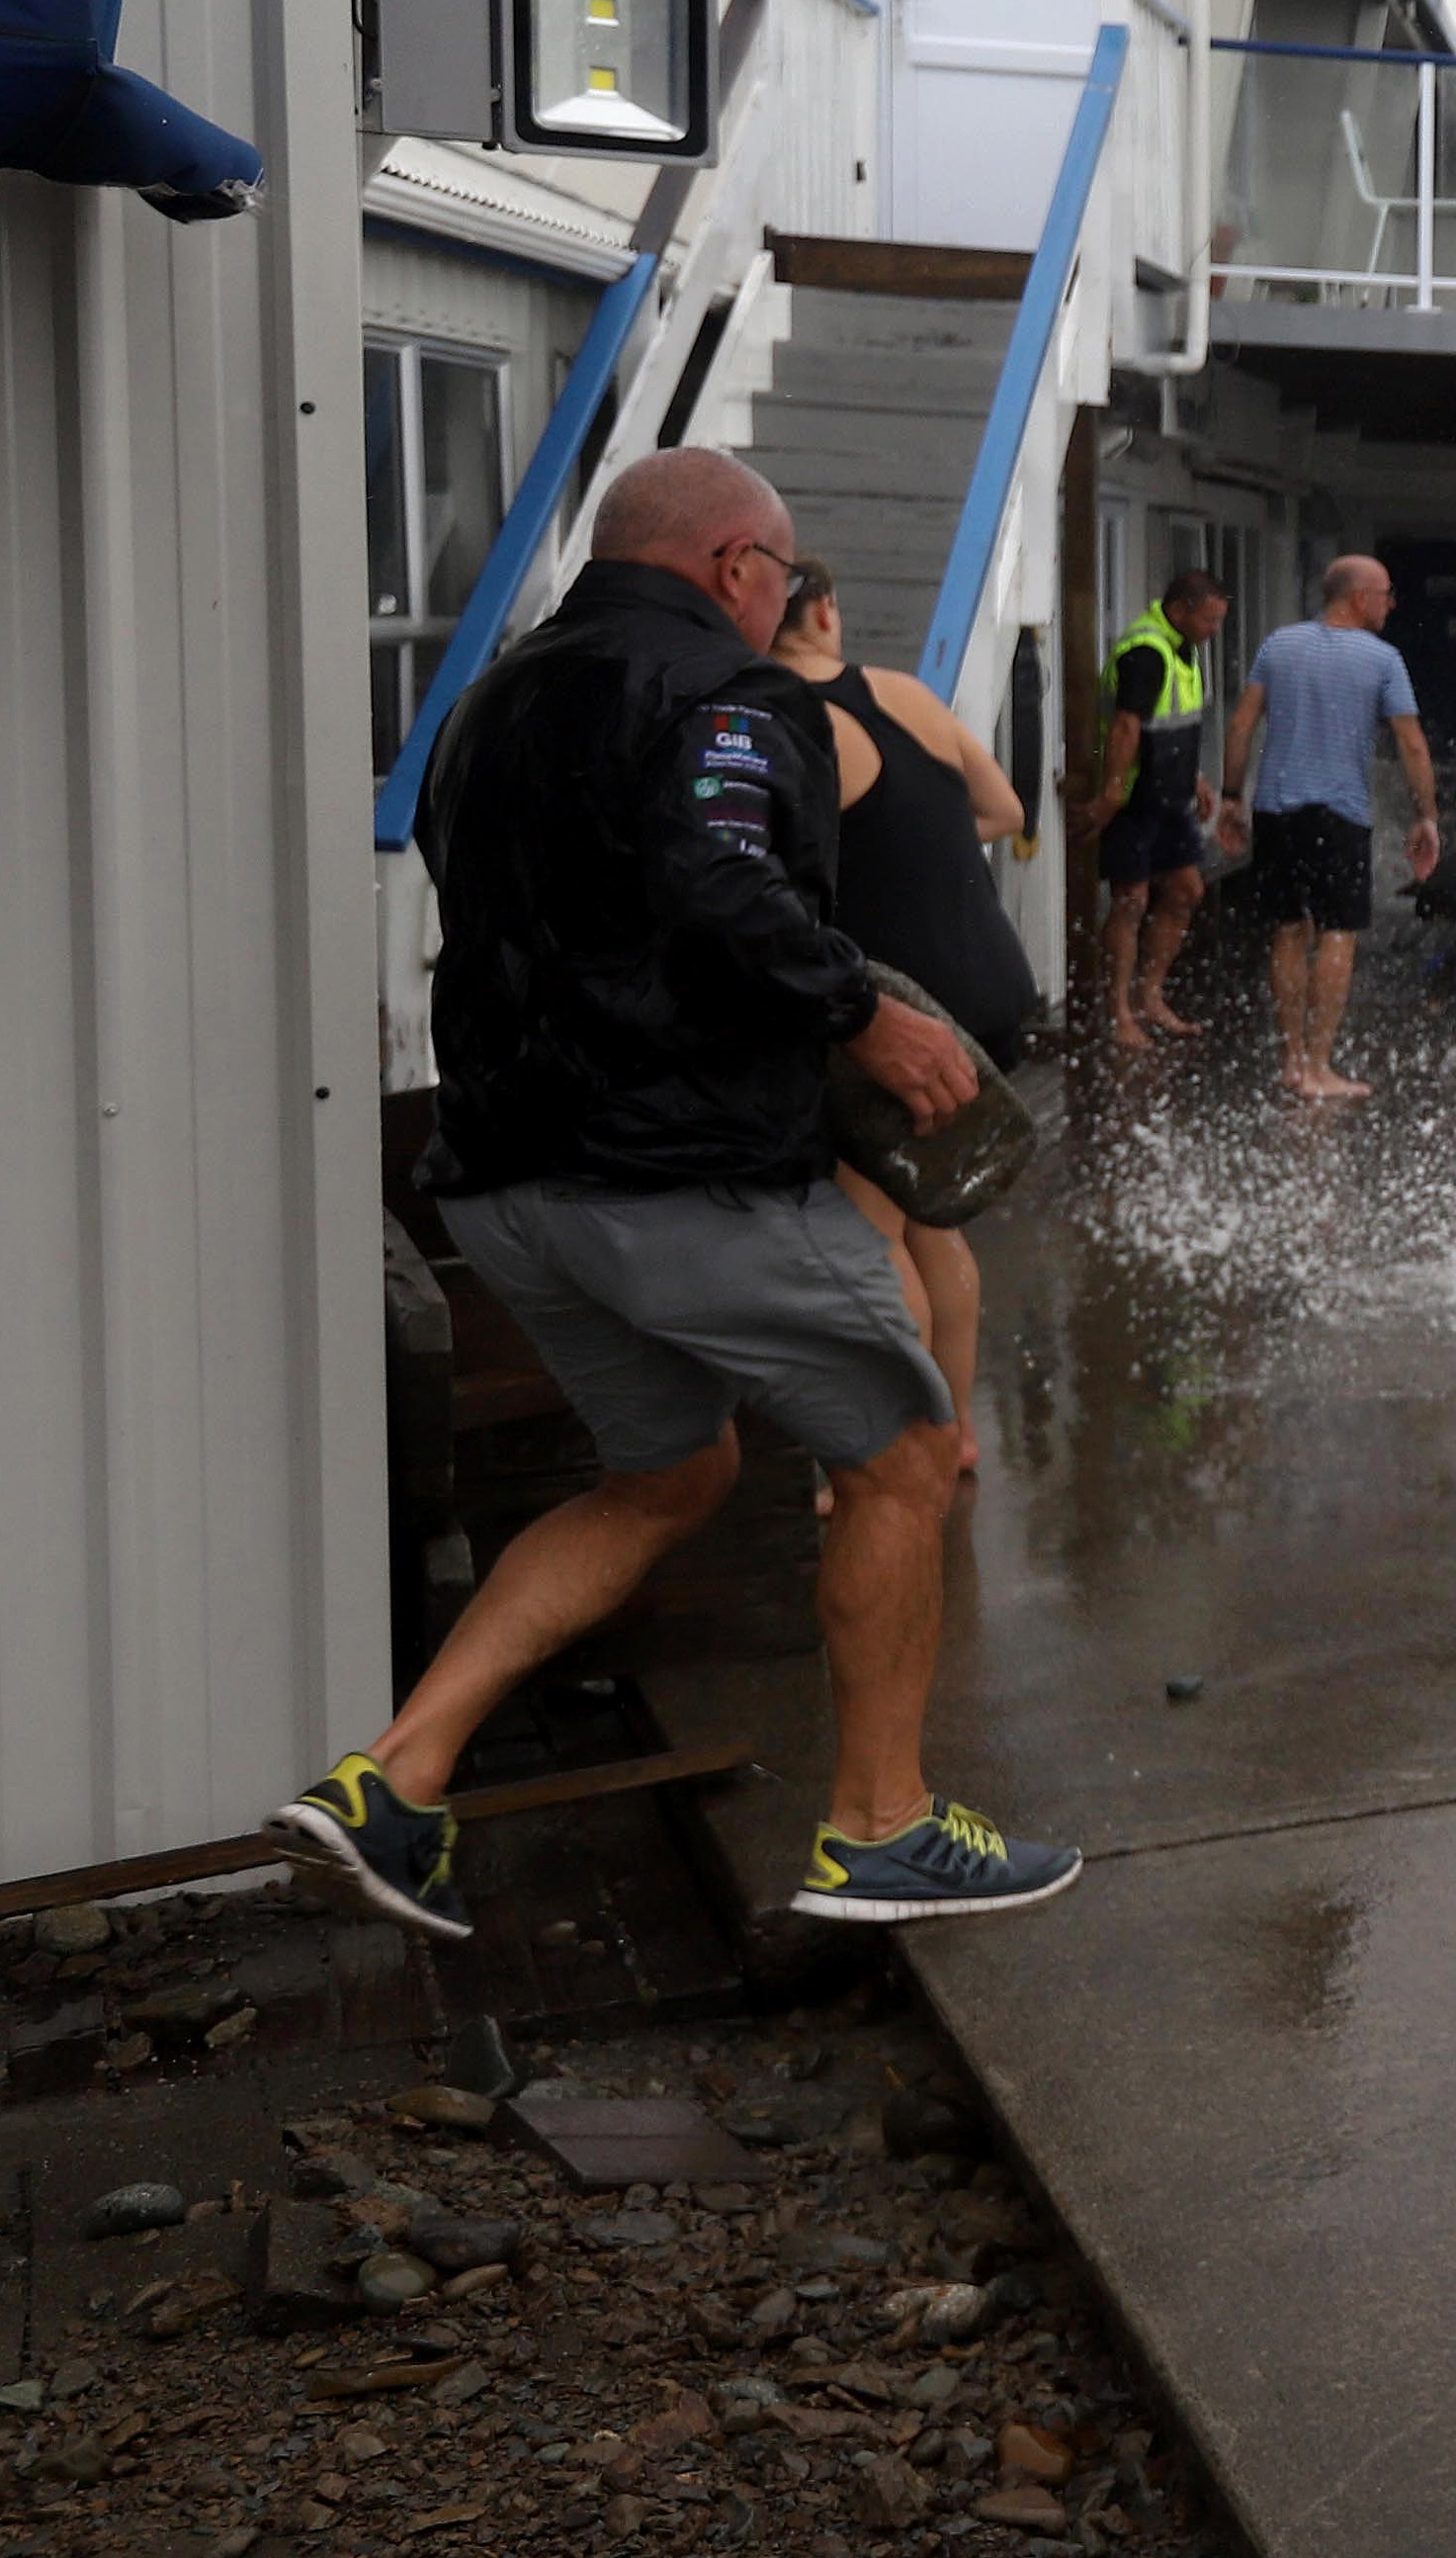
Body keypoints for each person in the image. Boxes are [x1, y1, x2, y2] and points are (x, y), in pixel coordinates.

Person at [266, 448, 1081, 1938]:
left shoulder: (486, 705)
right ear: (731, 566)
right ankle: (884, 1824)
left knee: (672, 1474)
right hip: (680, 1178)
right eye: (776, 575)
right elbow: (720, 882)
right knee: (905, 1452)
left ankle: (395, 1777)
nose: (778, 605)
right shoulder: (732, 695)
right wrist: (865, 1014)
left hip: (512, 1189)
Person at [772, 557, 1032, 1467]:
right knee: (933, 1220)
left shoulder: (783, 723)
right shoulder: (901, 693)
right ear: (828, 614)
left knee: (870, 1229)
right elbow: (1000, 809)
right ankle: (955, 1431)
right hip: (992, 985)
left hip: (907, 1013)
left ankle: (895, 1457)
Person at [1216, 553, 1443, 1101]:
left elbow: (1243, 723)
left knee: (1289, 930)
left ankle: (1292, 1060)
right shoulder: (1383, 659)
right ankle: (1319, 1066)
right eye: (1386, 593)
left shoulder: (1278, 645)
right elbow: (1411, 743)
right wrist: (1427, 815)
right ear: (1359, 597)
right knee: (1338, 934)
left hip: (1277, 811)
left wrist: (1230, 797)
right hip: (1339, 816)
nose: (1390, 604)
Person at [1093, 569, 1227, 1046]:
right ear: (1180, 611)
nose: (1214, 631)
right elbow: (1127, 728)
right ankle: (1117, 1011)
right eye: (1209, 621)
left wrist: (1195, 776)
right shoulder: (1147, 651)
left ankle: (1151, 995)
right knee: (1131, 900)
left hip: (1171, 797)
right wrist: (1110, 793)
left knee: (1187, 890)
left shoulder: (1182, 648)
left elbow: (1169, 723)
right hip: (1134, 801)